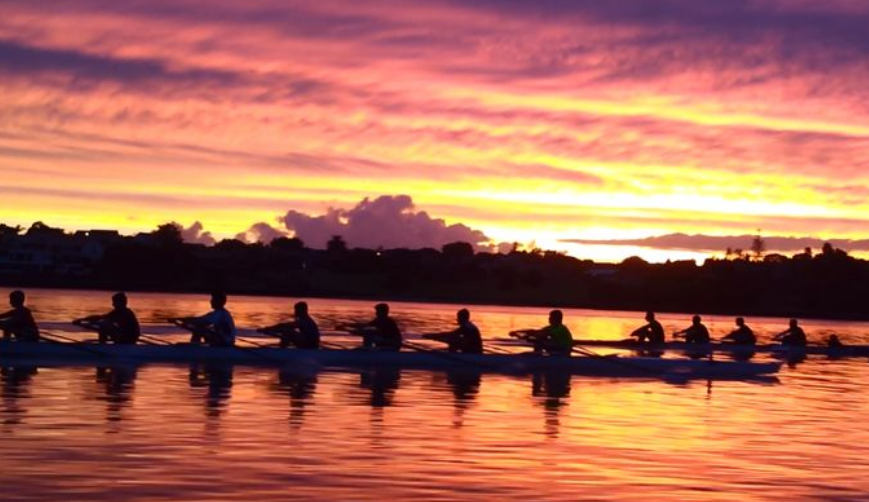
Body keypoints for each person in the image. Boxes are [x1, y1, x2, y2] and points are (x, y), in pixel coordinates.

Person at [170, 292, 236, 347]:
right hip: (223, 339)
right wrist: (181, 322)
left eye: (213, 300)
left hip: (225, 342)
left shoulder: (220, 314)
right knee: (200, 327)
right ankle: (195, 347)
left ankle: (193, 350)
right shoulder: (218, 313)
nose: (211, 301)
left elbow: (200, 321)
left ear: (220, 302)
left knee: (199, 328)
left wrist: (181, 321)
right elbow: (199, 320)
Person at [72, 292, 140, 345]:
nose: (112, 304)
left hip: (129, 339)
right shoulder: (117, 311)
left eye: (114, 302)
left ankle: (103, 346)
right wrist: (82, 320)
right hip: (124, 336)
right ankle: (103, 345)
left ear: (121, 303)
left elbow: (103, 322)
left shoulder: (125, 313)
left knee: (104, 325)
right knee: (104, 325)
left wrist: (88, 324)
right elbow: (100, 317)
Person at [509, 310, 573, 355]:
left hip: (563, 351)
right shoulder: (551, 327)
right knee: (540, 339)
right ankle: (537, 354)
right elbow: (534, 331)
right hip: (556, 349)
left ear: (556, 318)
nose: (549, 318)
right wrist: (517, 332)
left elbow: (540, 334)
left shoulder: (560, 329)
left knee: (540, 340)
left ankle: (537, 356)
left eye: (551, 317)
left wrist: (526, 336)